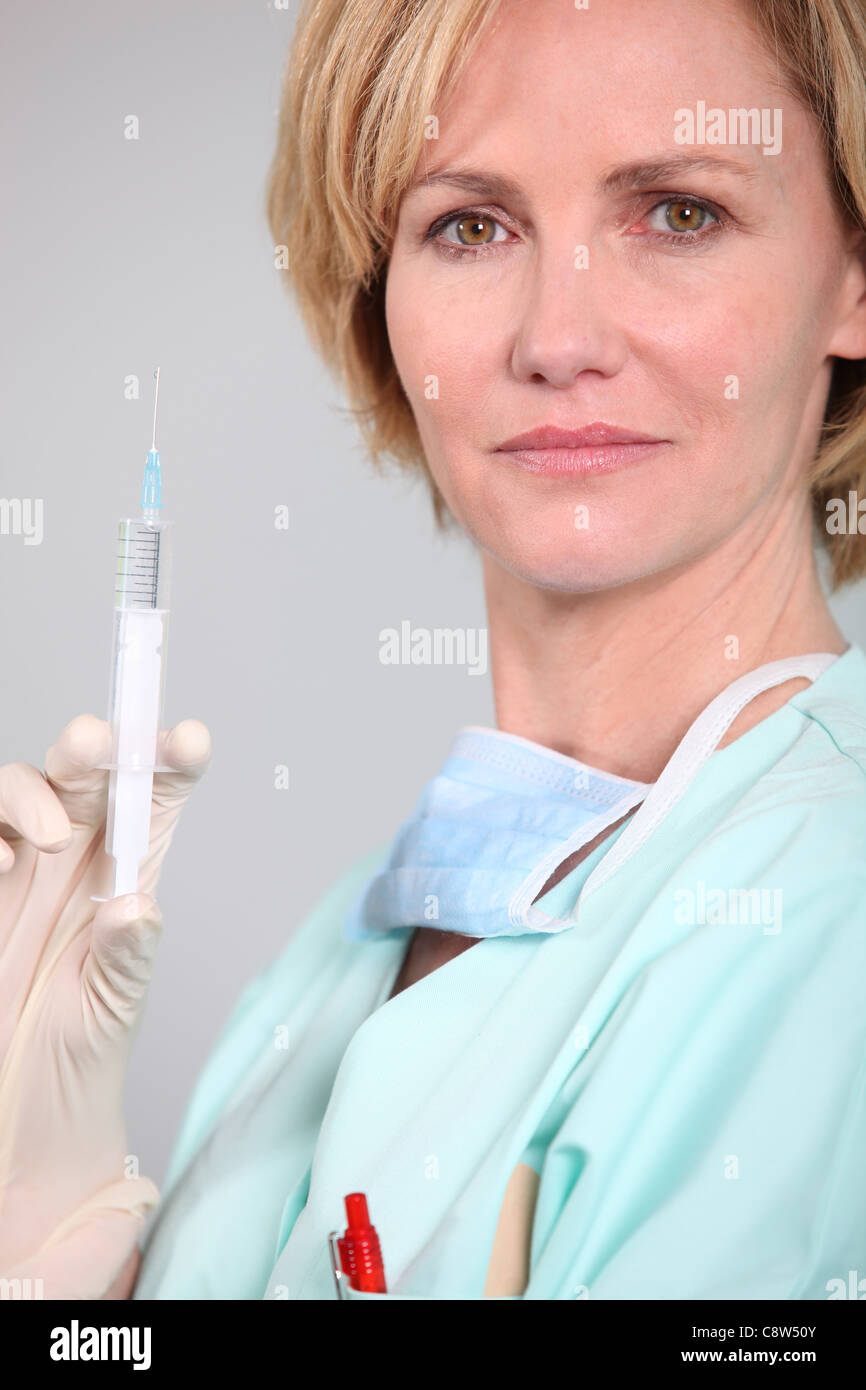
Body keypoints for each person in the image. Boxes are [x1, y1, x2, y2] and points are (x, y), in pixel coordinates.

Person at [2, 0, 865, 1301]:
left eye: (678, 211)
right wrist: (54, 1263)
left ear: (850, 274)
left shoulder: (826, 912)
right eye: (468, 224)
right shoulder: (346, 948)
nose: (555, 339)